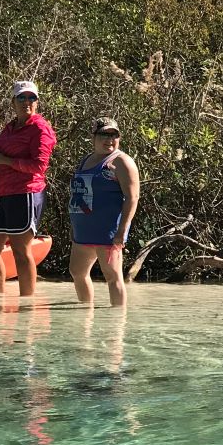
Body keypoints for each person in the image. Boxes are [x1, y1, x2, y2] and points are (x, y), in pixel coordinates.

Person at [0, 79, 56, 296]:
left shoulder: (40, 128)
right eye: (21, 97)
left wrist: (4, 160)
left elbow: (39, 166)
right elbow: (0, 159)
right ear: (13, 101)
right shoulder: (10, 127)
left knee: (21, 251)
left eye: (31, 98)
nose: (26, 102)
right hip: (0, 194)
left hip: (25, 193)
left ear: (37, 102)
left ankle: (26, 304)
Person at [68, 116, 140, 307]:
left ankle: (116, 326)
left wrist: (122, 231)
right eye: (104, 135)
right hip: (83, 231)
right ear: (93, 137)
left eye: (113, 135)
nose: (109, 139)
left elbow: (132, 198)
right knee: (77, 271)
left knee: (113, 277)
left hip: (108, 232)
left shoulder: (122, 162)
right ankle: (86, 314)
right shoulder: (86, 160)